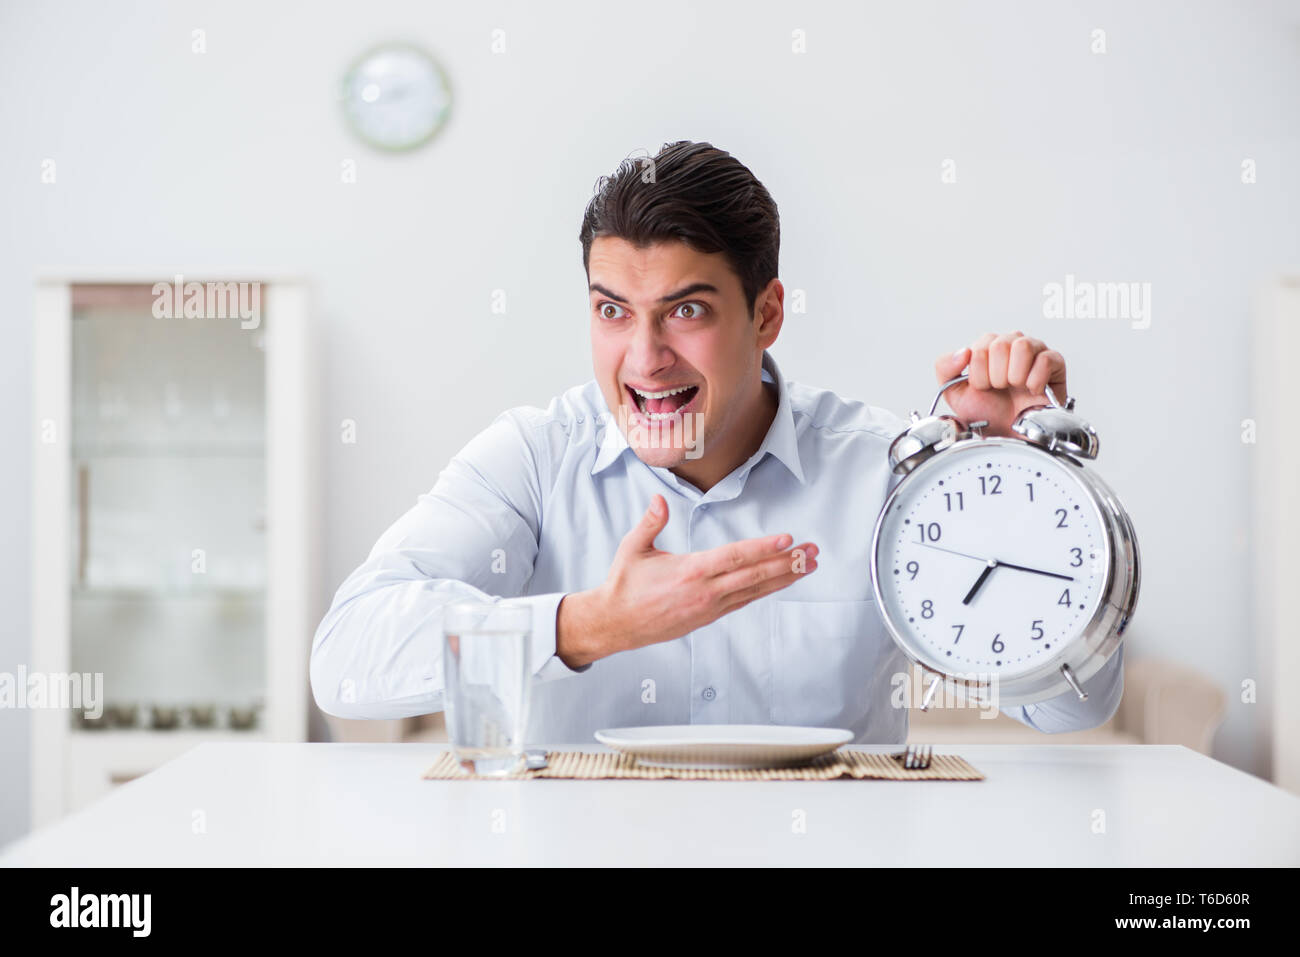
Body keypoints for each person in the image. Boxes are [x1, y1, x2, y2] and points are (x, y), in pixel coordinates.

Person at [310, 140, 1122, 743]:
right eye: (612, 310)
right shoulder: (533, 458)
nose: (644, 356)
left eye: (686, 310)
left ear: (766, 314)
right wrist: (590, 624)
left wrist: (1021, 480)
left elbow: (1069, 707)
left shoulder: (880, 471)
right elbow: (346, 659)